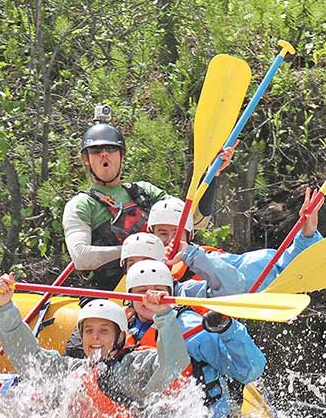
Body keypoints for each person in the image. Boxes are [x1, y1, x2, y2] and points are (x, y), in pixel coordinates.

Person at [0, 272, 189, 418]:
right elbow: (29, 359)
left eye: (104, 331)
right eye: (89, 331)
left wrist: (164, 316)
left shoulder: (135, 367)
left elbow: (174, 364)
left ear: (120, 336)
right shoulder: (73, 370)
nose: (95, 337)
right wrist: (5, 307)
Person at [122, 261, 264, 418]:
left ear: (171, 293)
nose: (151, 297)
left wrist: (228, 330)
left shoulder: (190, 327)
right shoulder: (120, 328)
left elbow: (249, 371)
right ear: (130, 297)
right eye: (142, 292)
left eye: (159, 291)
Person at [62, 119, 235, 290]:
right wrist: (139, 251)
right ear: (86, 159)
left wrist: (212, 174)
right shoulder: (80, 205)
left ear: (122, 155)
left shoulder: (143, 191)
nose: (104, 154)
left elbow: (194, 220)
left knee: (213, 259)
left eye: (111, 149)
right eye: (96, 150)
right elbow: (81, 257)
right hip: (115, 289)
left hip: (162, 280)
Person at [147, 191, 324, 291]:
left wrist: (306, 237)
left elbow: (270, 268)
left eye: (177, 234)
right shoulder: (133, 266)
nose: (170, 240)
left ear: (189, 235)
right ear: (151, 235)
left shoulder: (208, 259)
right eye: (162, 234)